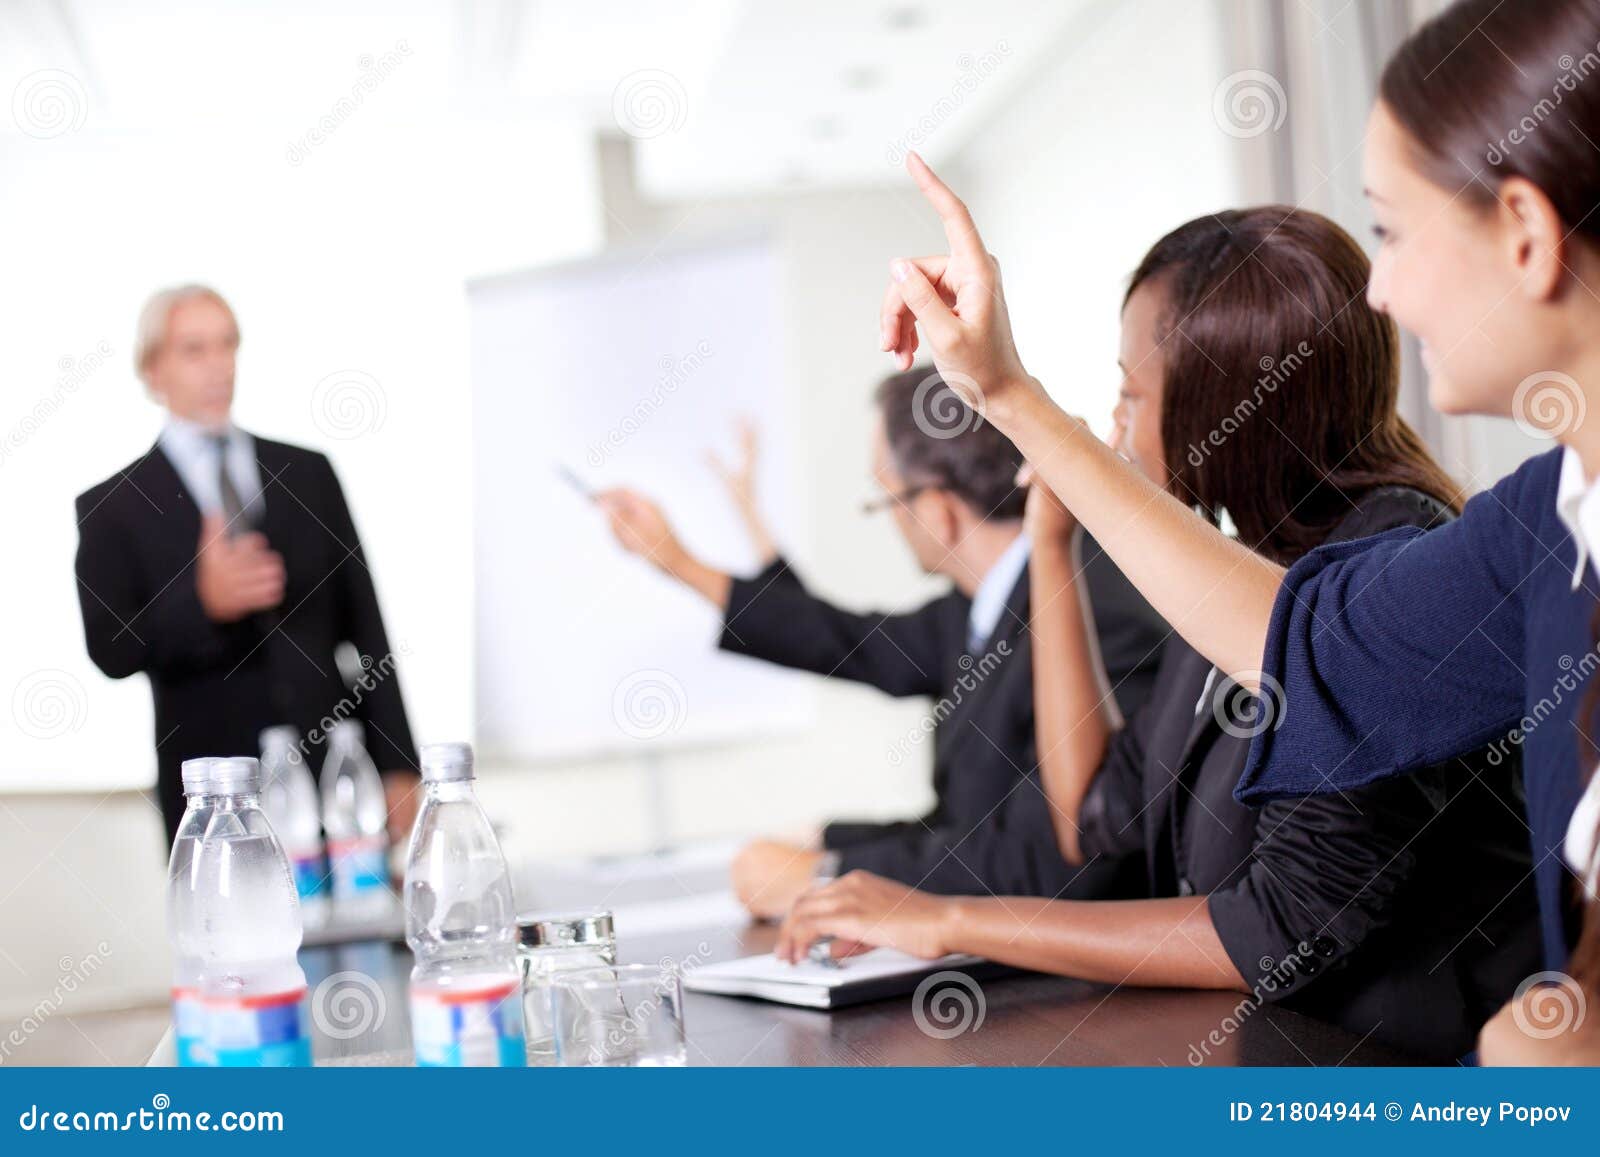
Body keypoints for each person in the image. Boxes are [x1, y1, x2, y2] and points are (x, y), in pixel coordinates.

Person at [861, 0, 1600, 1065]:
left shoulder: (1424, 530)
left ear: (1525, 235)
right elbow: (1302, 644)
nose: (1381, 293)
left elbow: (1280, 921)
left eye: (1391, 231)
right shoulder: (1538, 521)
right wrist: (1011, 402)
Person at [775, 207, 1540, 1061]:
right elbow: (1095, 815)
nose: (1118, 427)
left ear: (1230, 411)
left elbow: (1275, 927)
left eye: (1133, 395)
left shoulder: (1385, 563)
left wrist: (947, 918)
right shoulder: (1233, 564)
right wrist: (1053, 544)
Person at [596, 371, 1167, 916]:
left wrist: (829, 874)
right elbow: (837, 640)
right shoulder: (975, 611)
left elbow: (1055, 861)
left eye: (885, 500)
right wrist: (829, 837)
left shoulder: (1096, 616)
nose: (889, 520)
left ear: (938, 511)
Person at [73, 285, 419, 847]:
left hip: (333, 772)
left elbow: (366, 623)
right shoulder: (114, 507)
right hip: (212, 794)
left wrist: (399, 763)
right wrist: (199, 603)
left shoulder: (307, 473)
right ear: (152, 369)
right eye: (194, 349)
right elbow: (110, 647)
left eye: (227, 344)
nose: (219, 366)